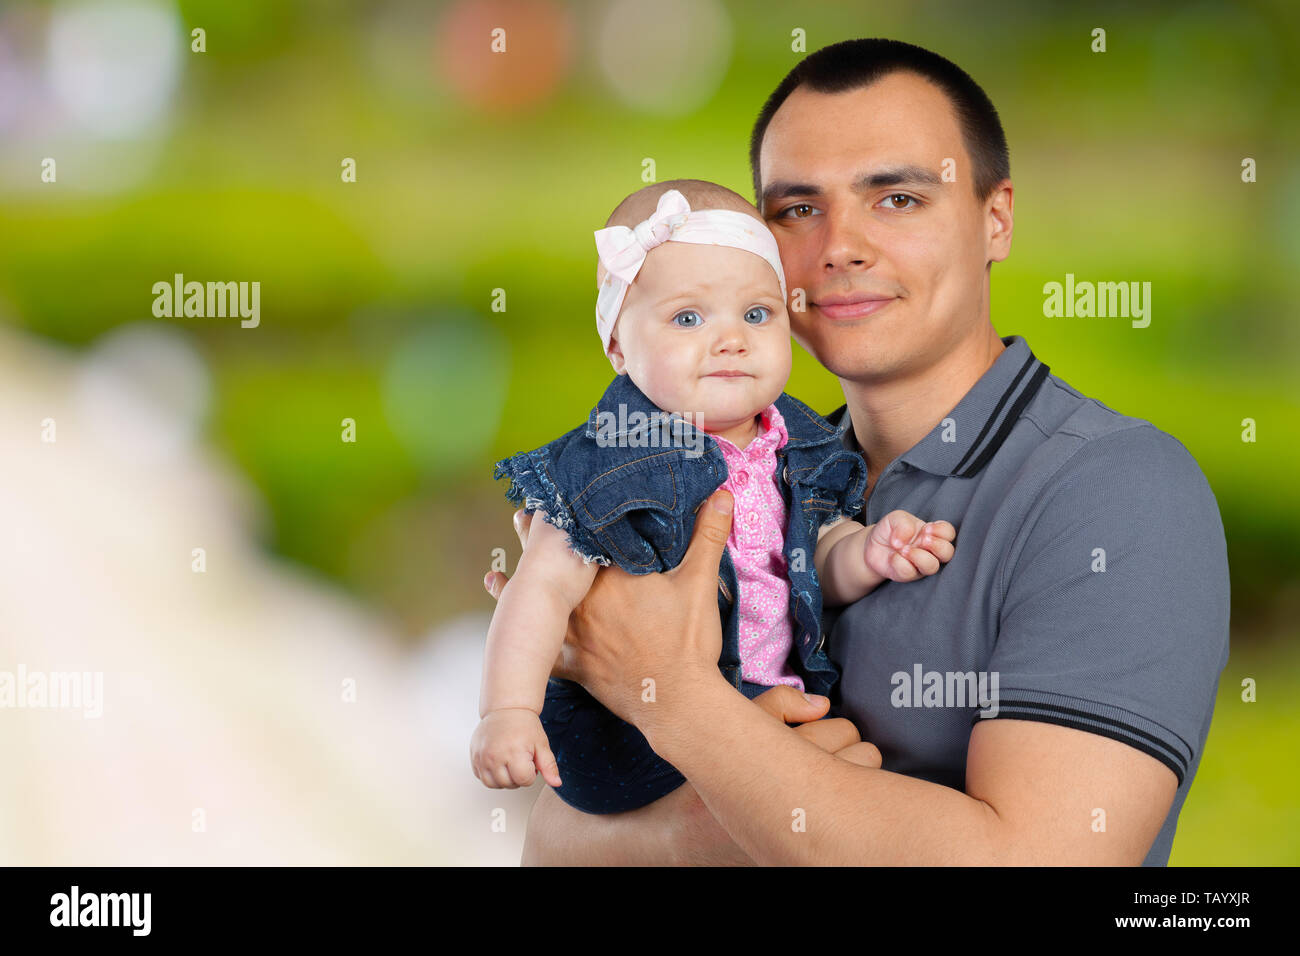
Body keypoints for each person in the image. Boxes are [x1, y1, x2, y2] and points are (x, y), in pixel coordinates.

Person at [486, 38, 1230, 865]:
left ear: (997, 217)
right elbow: (551, 843)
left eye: (899, 198)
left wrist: (675, 700)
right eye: (798, 210)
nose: (840, 246)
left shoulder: (1114, 492)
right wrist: (691, 810)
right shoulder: (750, 473)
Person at [472, 181, 955, 814]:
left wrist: (866, 553)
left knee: (851, 799)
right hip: (631, 735)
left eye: (756, 314)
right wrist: (507, 710)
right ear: (618, 345)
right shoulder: (611, 463)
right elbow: (540, 589)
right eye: (688, 318)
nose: (730, 340)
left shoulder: (797, 445)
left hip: (763, 706)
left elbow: (805, 565)